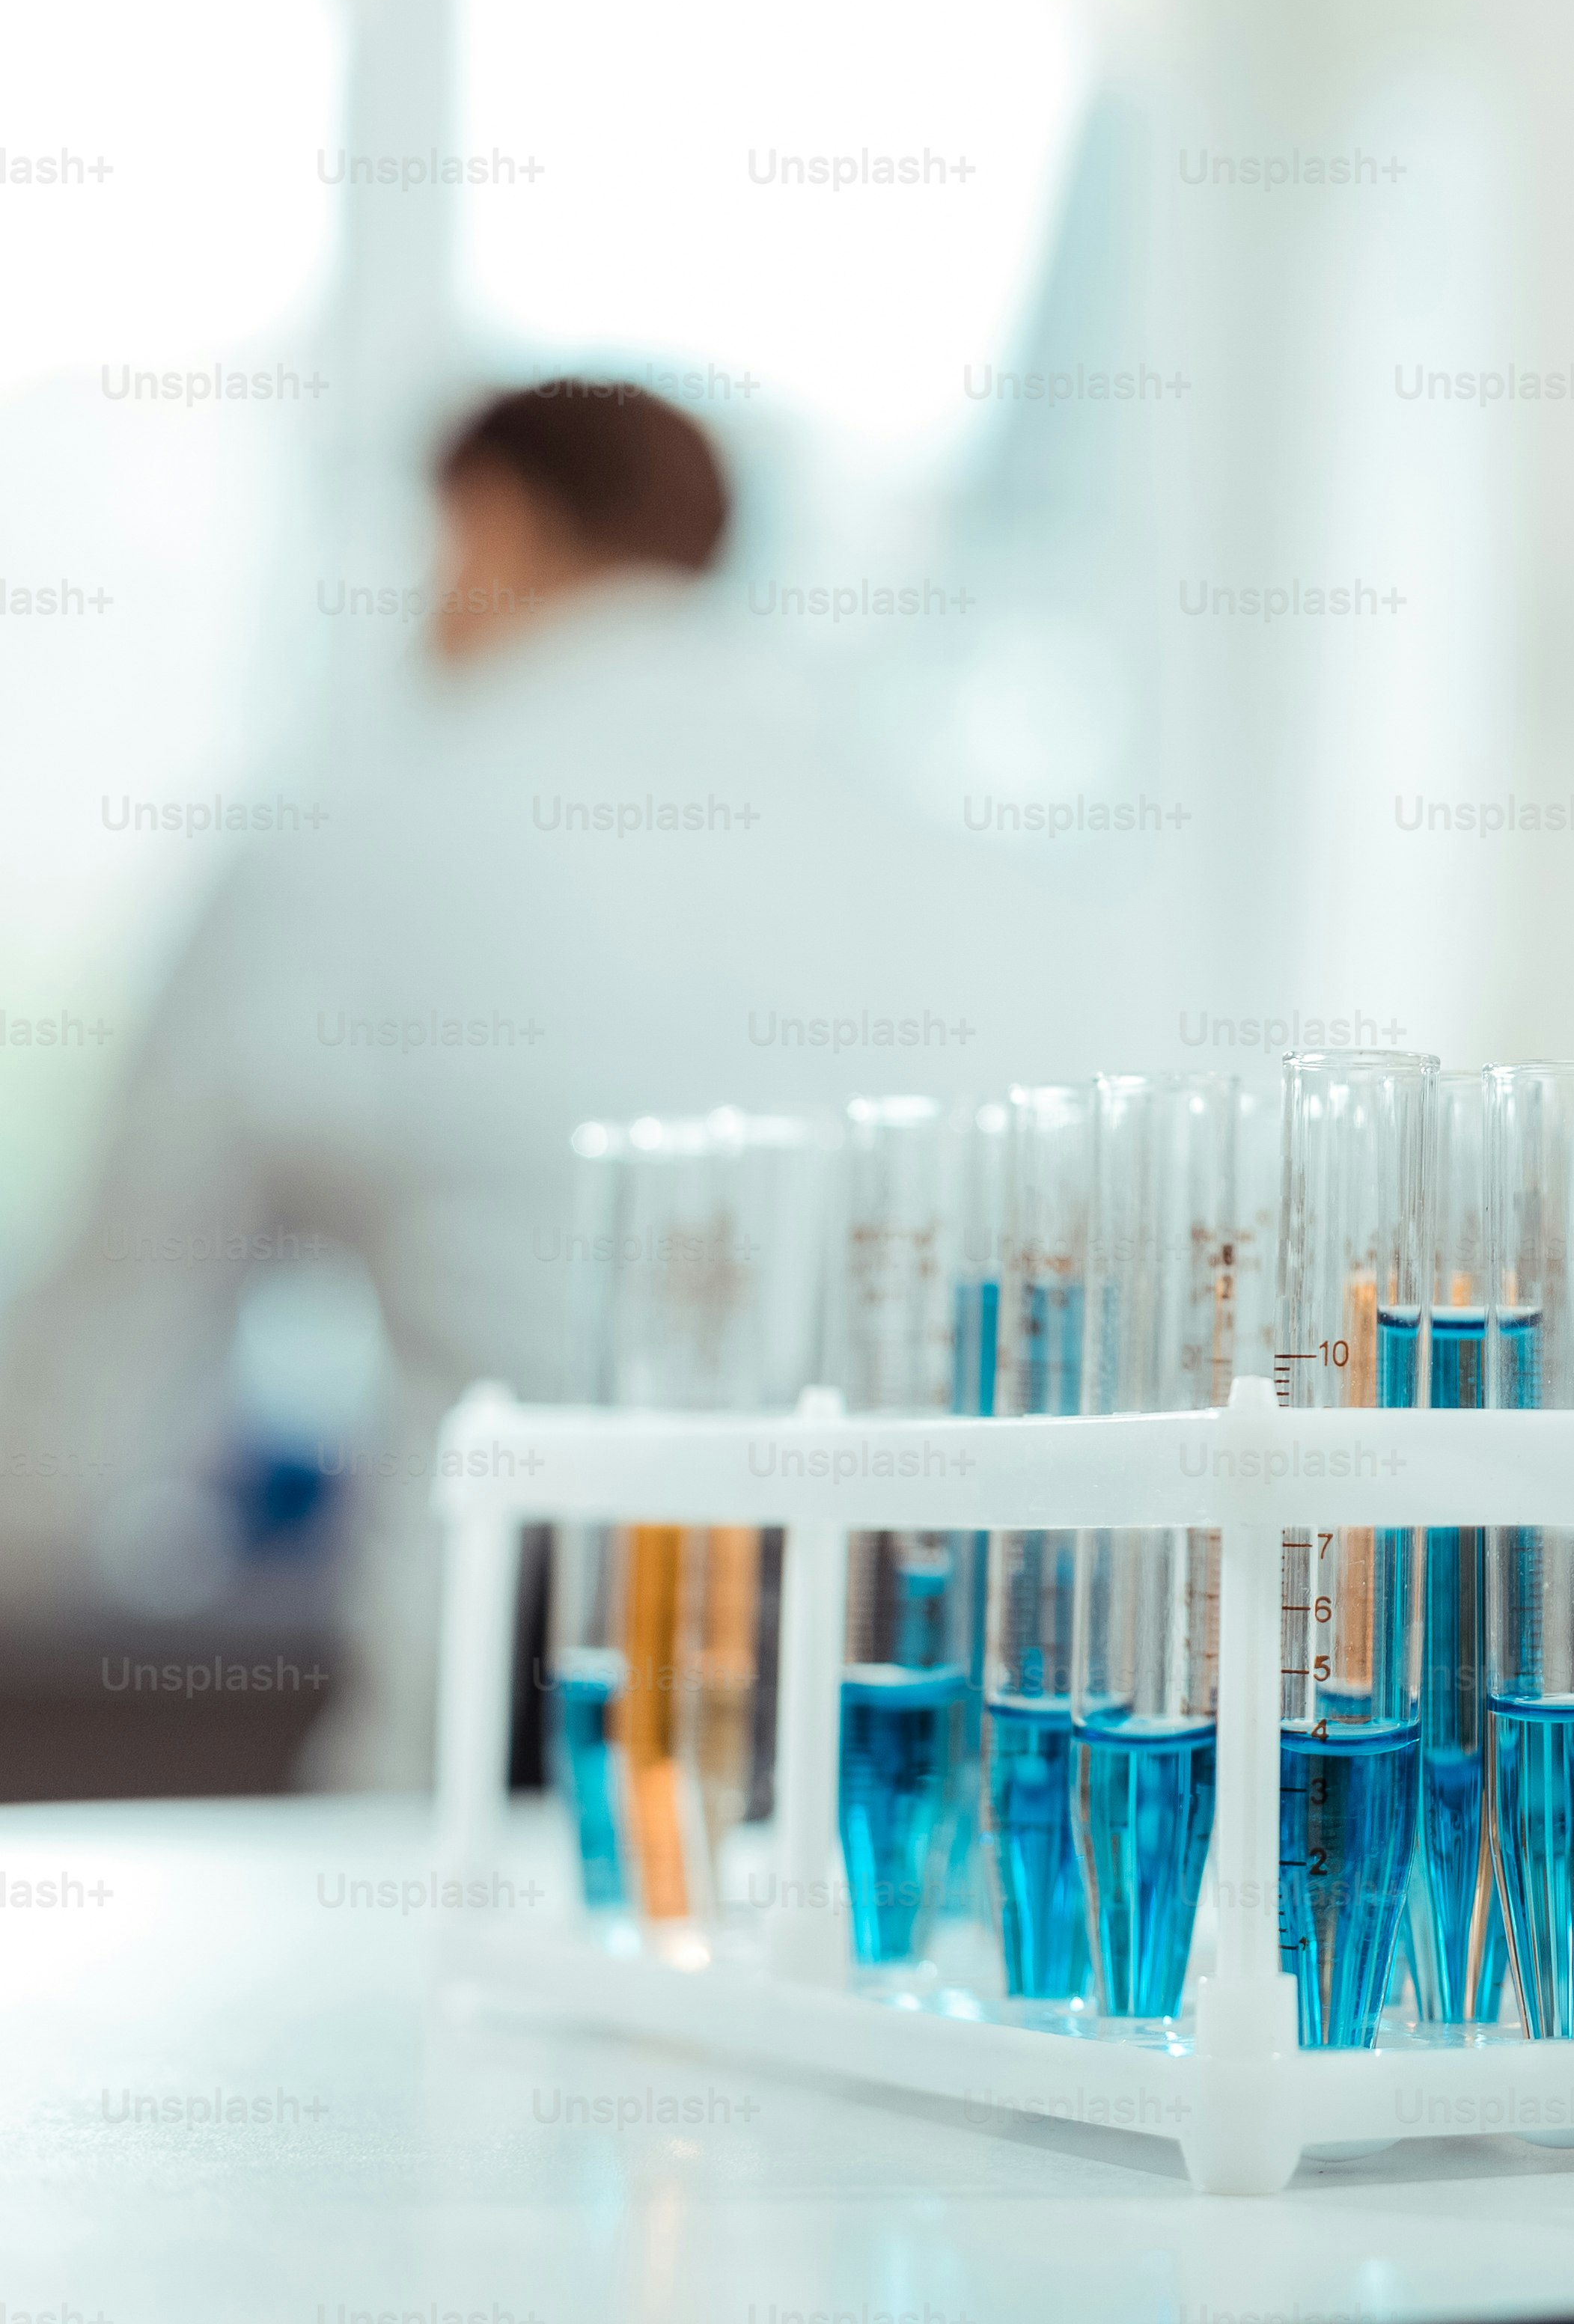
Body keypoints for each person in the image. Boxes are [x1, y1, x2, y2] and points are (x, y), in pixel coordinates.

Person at [0, 379, 1093, 1787]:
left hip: (533, 1757)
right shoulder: (964, 862)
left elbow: (97, 1374)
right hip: (941, 1752)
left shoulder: (344, 857)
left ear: (493, 521)